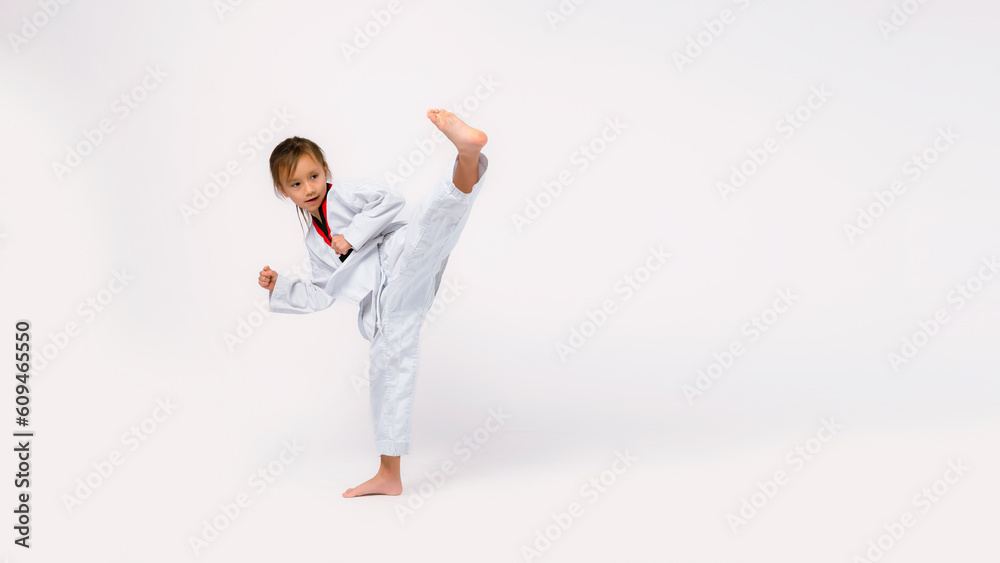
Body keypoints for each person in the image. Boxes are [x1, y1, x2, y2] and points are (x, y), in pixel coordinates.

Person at [258, 109, 489, 497]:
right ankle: (389, 474)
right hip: (387, 301)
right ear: (284, 192)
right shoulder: (314, 241)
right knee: (387, 371)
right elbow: (324, 291)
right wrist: (280, 286)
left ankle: (467, 153)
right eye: (296, 183)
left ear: (325, 171)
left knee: (432, 222)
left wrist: (352, 236)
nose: (309, 188)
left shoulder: (344, 194)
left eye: (313, 176)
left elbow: (390, 200)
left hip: (393, 254)